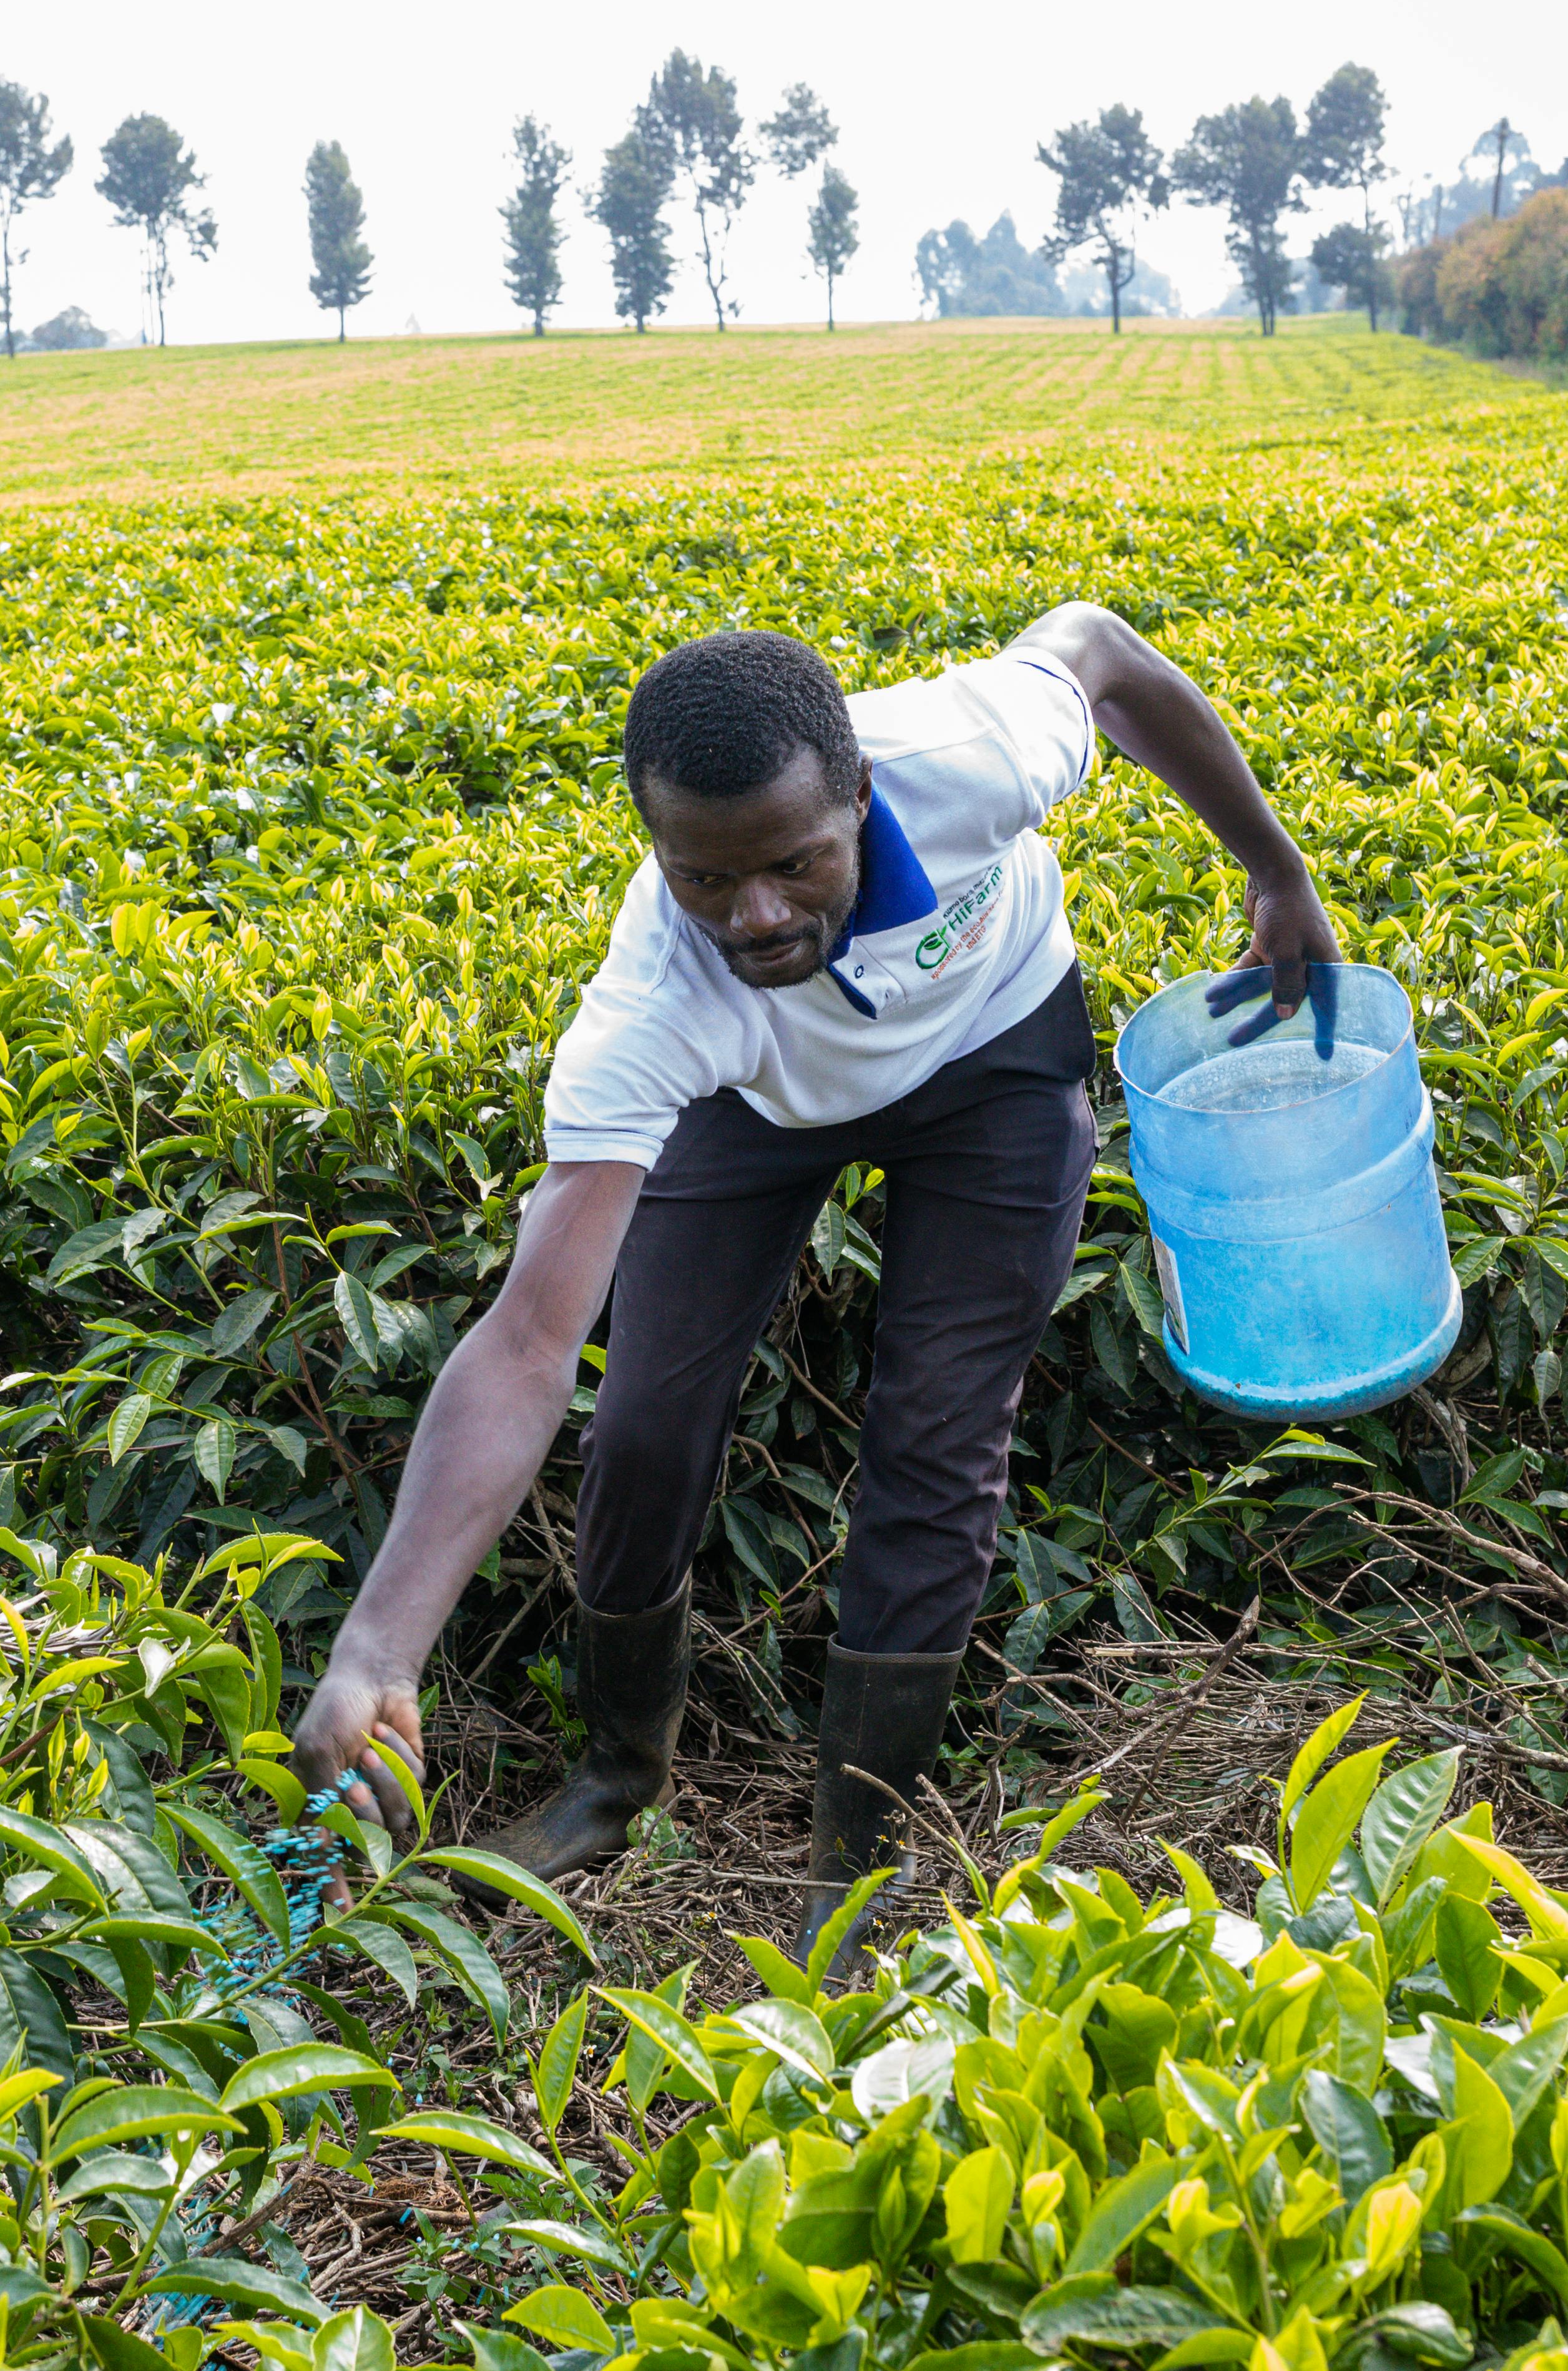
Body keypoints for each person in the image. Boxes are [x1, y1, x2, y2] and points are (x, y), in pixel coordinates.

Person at [287, 607, 1338, 1944]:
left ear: (864, 793)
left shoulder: (975, 752)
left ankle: (861, 1846)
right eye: (706, 876)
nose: (758, 912)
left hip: (995, 1060)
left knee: (939, 1430)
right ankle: (614, 1780)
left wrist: (1275, 866)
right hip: (757, 1101)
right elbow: (527, 1343)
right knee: (648, 1413)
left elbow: (1105, 652)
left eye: (794, 862)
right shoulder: (665, 997)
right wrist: (378, 1647)